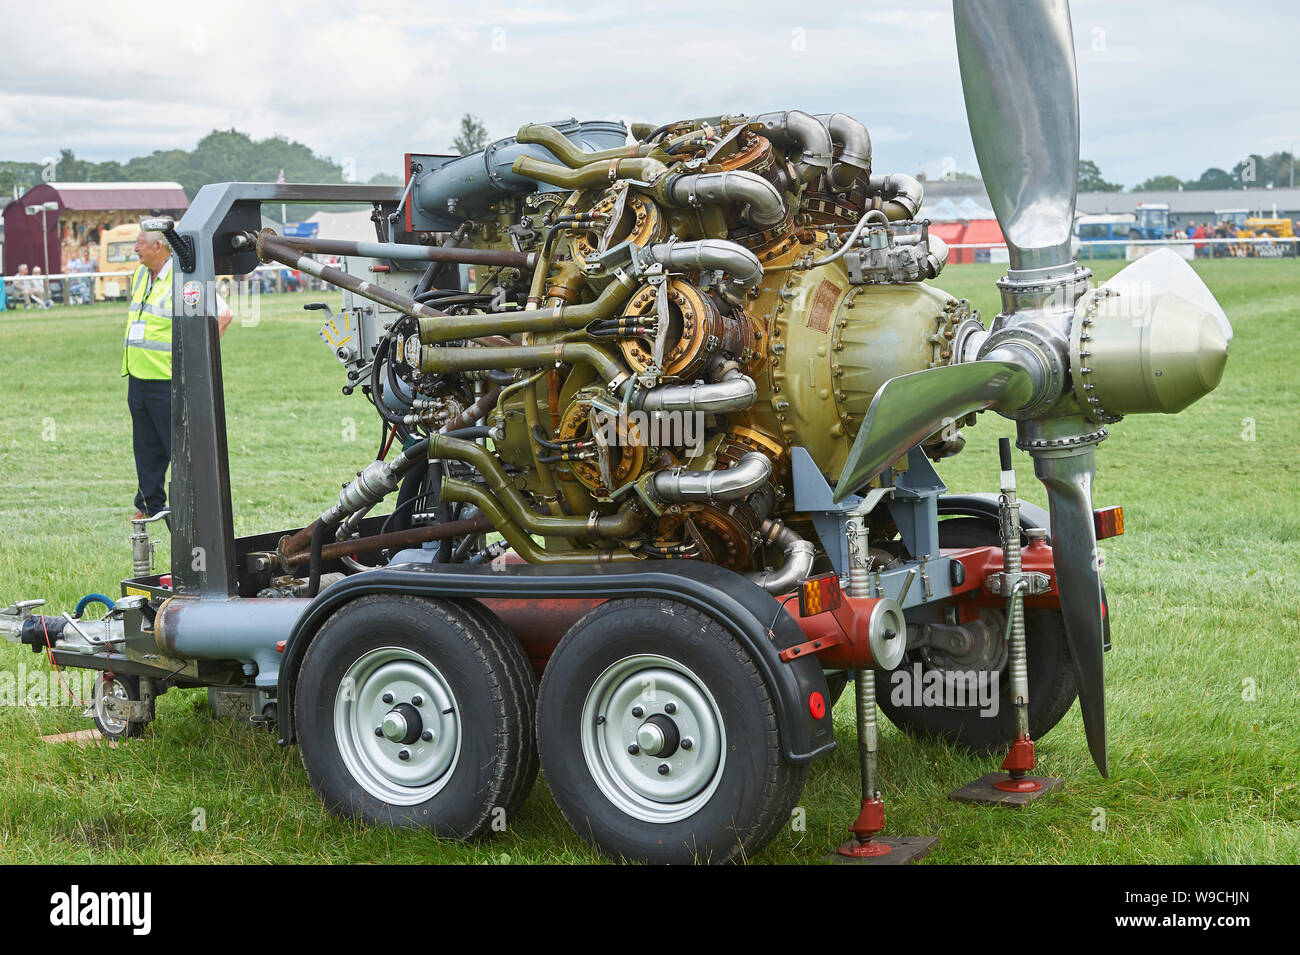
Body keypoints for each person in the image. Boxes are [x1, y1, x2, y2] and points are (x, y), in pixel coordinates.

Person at [123, 226, 232, 519]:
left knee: (180, 448)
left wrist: (195, 361)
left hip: (168, 380)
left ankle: (198, 505)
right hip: (139, 375)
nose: (135, 249)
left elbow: (222, 315)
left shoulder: (184, 276)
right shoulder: (140, 275)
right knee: (146, 447)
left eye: (139, 244)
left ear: (159, 246)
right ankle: (148, 504)